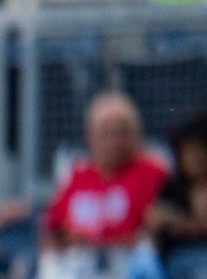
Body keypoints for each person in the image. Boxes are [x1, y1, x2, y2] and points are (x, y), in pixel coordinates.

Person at [42, 92, 170, 252]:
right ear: (89, 137)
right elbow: (52, 229)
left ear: (137, 134)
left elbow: (153, 232)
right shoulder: (78, 175)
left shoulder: (152, 173)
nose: (115, 142)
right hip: (77, 260)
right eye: (106, 133)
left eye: (122, 132)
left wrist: (95, 243)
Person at [146, 111, 207, 257]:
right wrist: (157, 224)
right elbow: (153, 238)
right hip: (180, 263)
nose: (194, 159)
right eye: (188, 151)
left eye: (200, 151)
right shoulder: (172, 188)